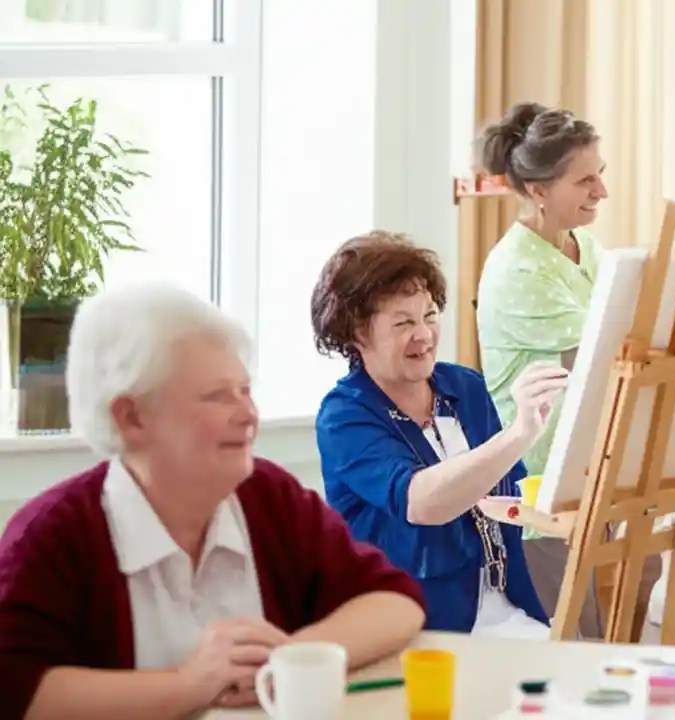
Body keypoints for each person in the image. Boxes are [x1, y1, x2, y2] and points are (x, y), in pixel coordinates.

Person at [0, 284, 425, 720]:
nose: (248, 415)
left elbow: (395, 599)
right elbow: (16, 689)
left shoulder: (268, 497)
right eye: (217, 396)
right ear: (131, 417)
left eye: (245, 390)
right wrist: (189, 684)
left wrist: (292, 657)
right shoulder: (50, 536)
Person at [312, 231, 567, 638]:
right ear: (358, 334)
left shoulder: (463, 388)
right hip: (417, 628)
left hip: (508, 609)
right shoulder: (345, 416)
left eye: (430, 316)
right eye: (403, 323)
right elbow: (422, 502)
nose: (425, 335)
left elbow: (508, 493)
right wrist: (520, 432)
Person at [473, 101, 609, 635]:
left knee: (613, 642)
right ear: (538, 190)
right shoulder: (519, 269)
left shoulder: (586, 248)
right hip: (541, 491)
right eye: (585, 180)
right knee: (578, 648)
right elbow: (614, 351)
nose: (601, 192)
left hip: (591, 479)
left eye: (601, 175)